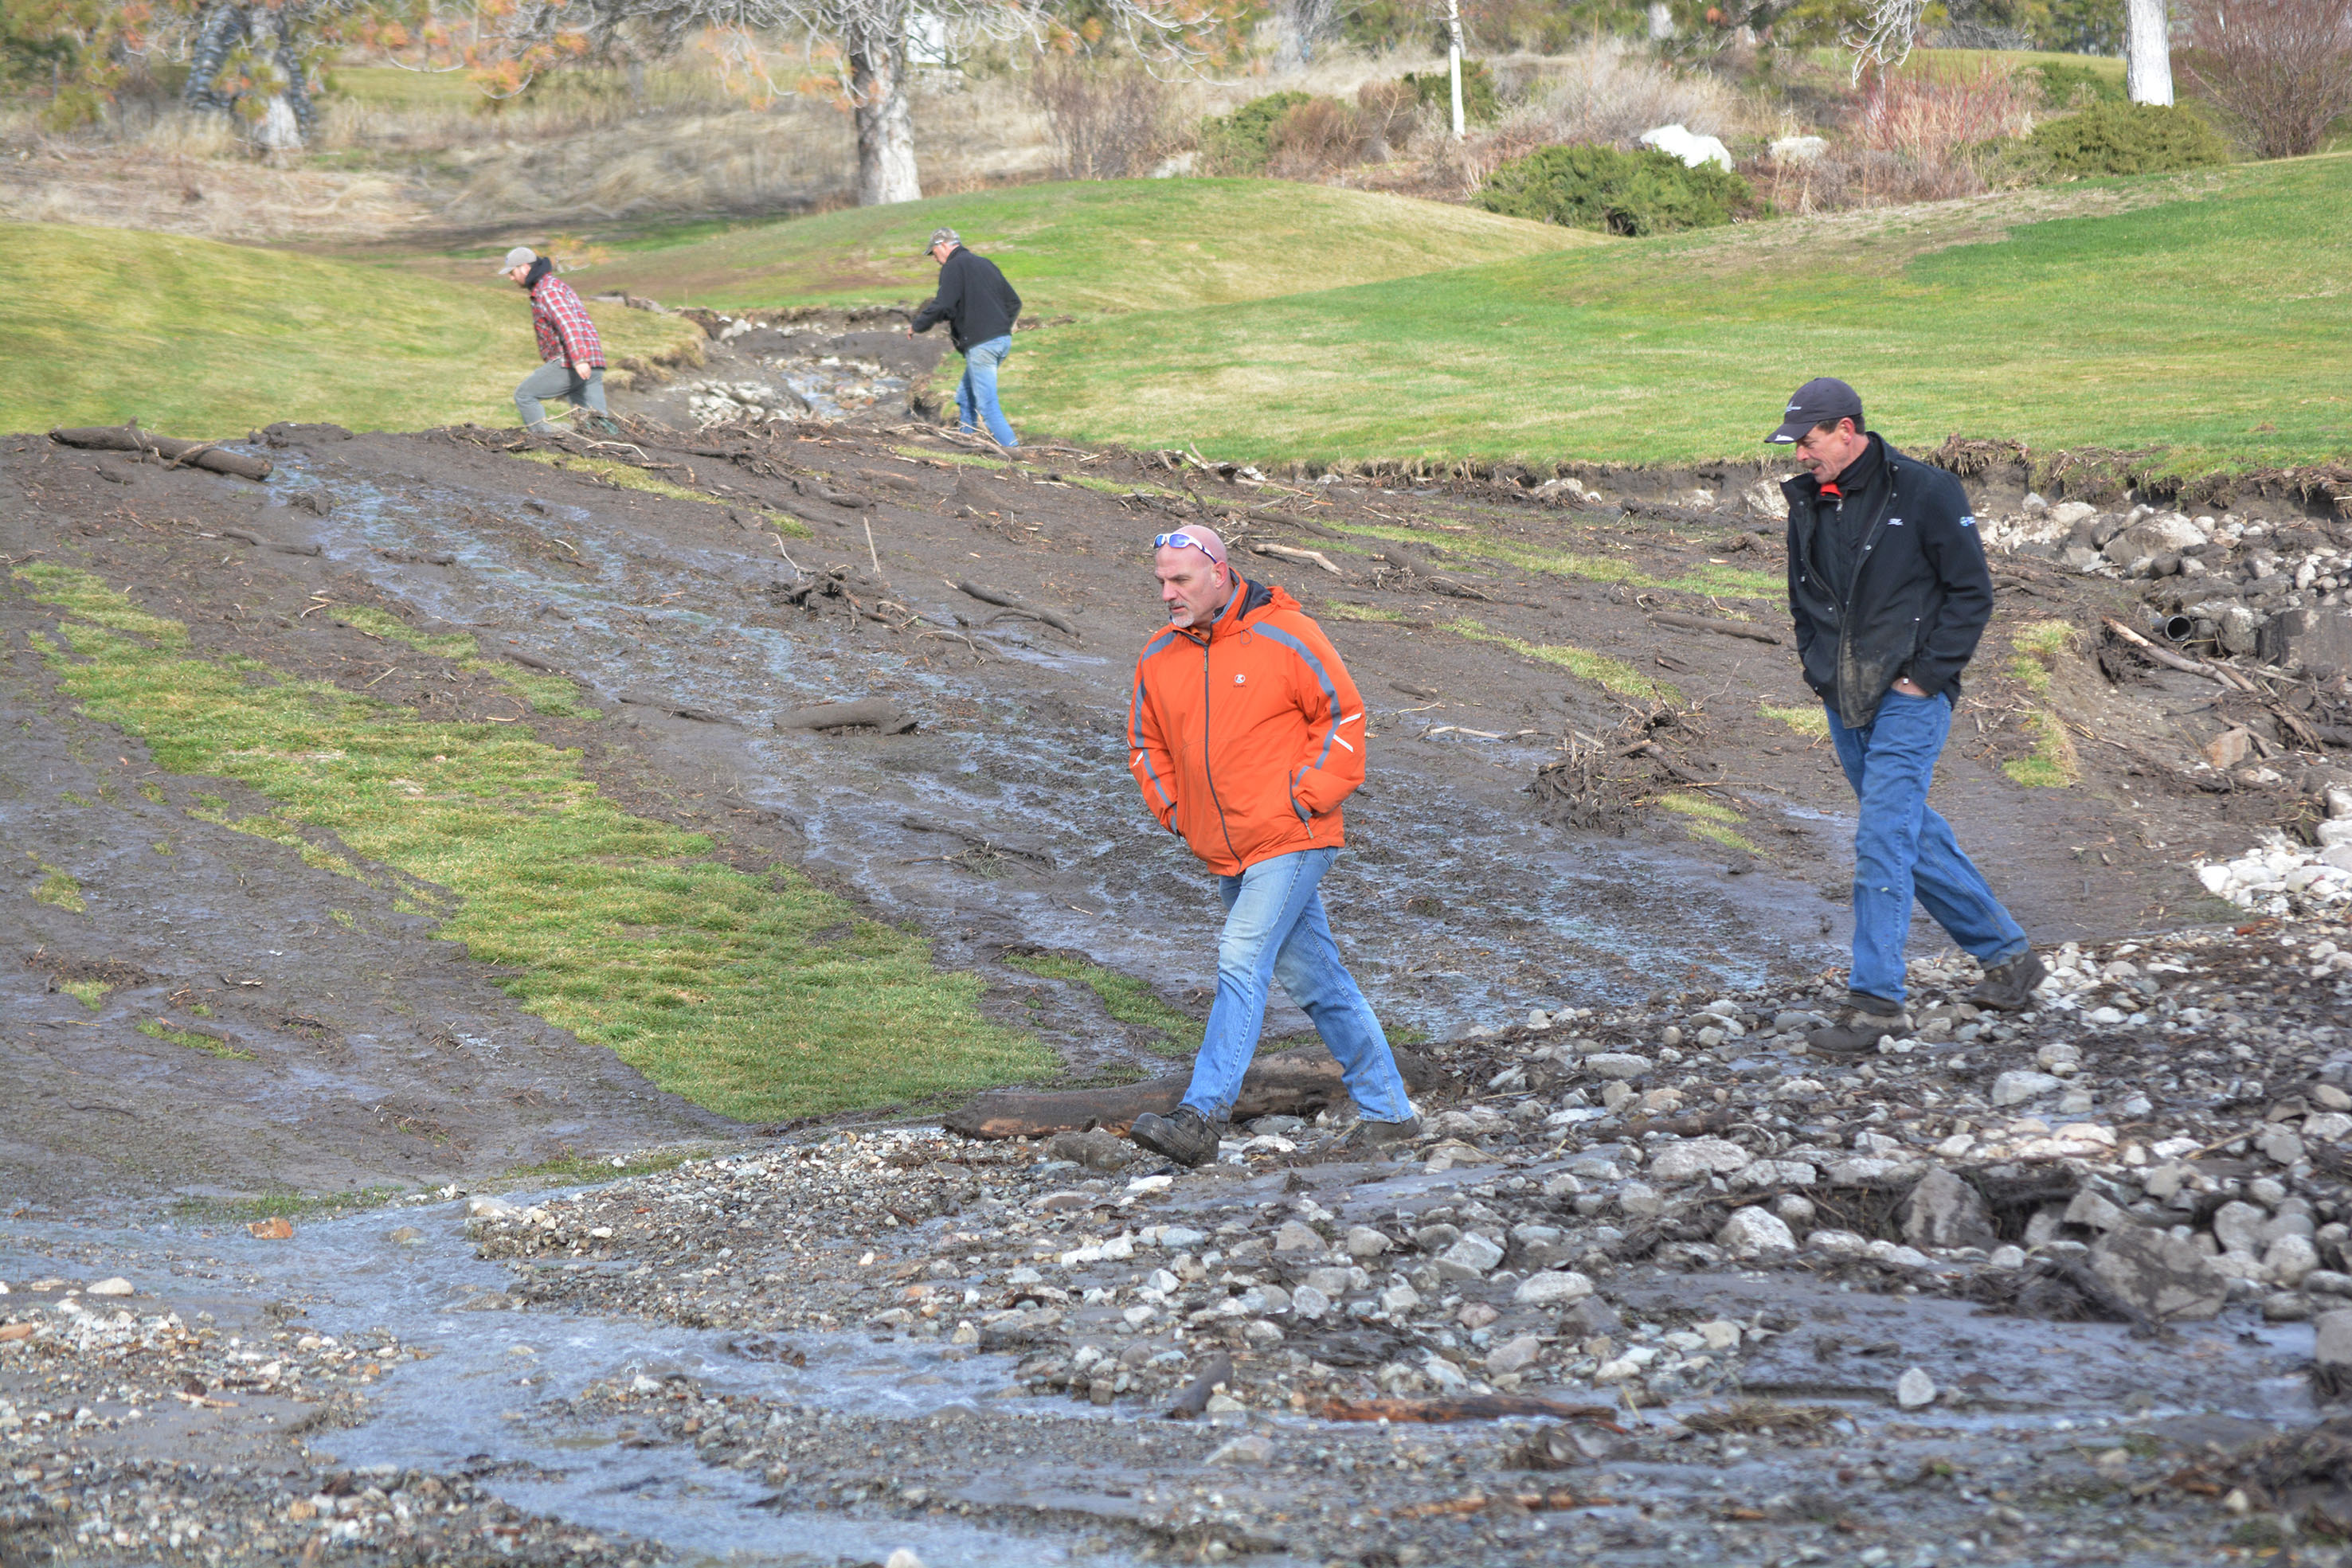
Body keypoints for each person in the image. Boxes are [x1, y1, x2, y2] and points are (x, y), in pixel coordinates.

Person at [1123, 525, 1420, 1166]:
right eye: (1161, 582)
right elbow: (1144, 745)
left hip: (1294, 837)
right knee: (1321, 984)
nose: (1167, 593)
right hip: (1226, 849)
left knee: (1239, 955)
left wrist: (1307, 796)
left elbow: (1344, 713)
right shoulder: (1158, 655)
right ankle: (1391, 1113)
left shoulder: (1288, 633)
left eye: (1180, 580)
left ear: (1220, 573)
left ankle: (1201, 1117)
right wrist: (1176, 811)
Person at [1771, 377, 2047, 1056]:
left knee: (1881, 838)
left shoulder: (1925, 491)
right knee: (1908, 833)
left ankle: (1876, 1003)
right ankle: (2009, 961)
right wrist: (1818, 671)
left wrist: (1926, 678)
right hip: (1844, 696)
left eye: (1807, 441)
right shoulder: (1806, 502)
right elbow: (1802, 601)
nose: (1801, 455)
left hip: (1911, 699)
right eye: (1797, 445)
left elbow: (1971, 593)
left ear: (1844, 429)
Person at [907, 227, 1021, 450]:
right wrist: (999, 329)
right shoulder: (985, 264)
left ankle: (1013, 450)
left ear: (943, 246)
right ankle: (966, 443)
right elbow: (1013, 302)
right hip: (1001, 341)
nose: (935, 259)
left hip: (983, 345)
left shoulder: (953, 267)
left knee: (987, 405)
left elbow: (943, 304)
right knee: (965, 397)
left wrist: (918, 325)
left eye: (933, 253)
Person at [499, 246, 612, 434]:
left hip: (572, 361)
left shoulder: (547, 290)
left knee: (525, 395)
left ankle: (544, 440)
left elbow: (568, 324)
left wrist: (579, 359)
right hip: (594, 361)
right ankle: (616, 445)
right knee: (598, 424)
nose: (511, 278)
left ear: (525, 268)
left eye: (512, 273)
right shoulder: (551, 285)